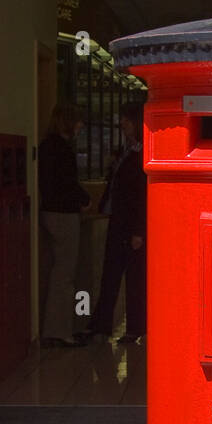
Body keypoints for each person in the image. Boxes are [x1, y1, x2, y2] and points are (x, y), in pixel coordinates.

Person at [88, 104, 146, 343]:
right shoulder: (125, 152)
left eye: (126, 121)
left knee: (133, 279)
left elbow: (142, 196)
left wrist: (139, 230)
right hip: (118, 221)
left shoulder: (141, 155)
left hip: (130, 225)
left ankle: (135, 329)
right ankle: (102, 326)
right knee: (110, 275)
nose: (122, 125)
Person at [38, 104, 91, 347]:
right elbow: (69, 183)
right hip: (65, 215)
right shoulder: (63, 150)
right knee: (65, 274)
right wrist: (85, 200)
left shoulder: (46, 146)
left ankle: (53, 328)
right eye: (78, 122)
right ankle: (59, 330)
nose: (80, 126)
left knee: (56, 270)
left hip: (49, 212)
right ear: (69, 121)